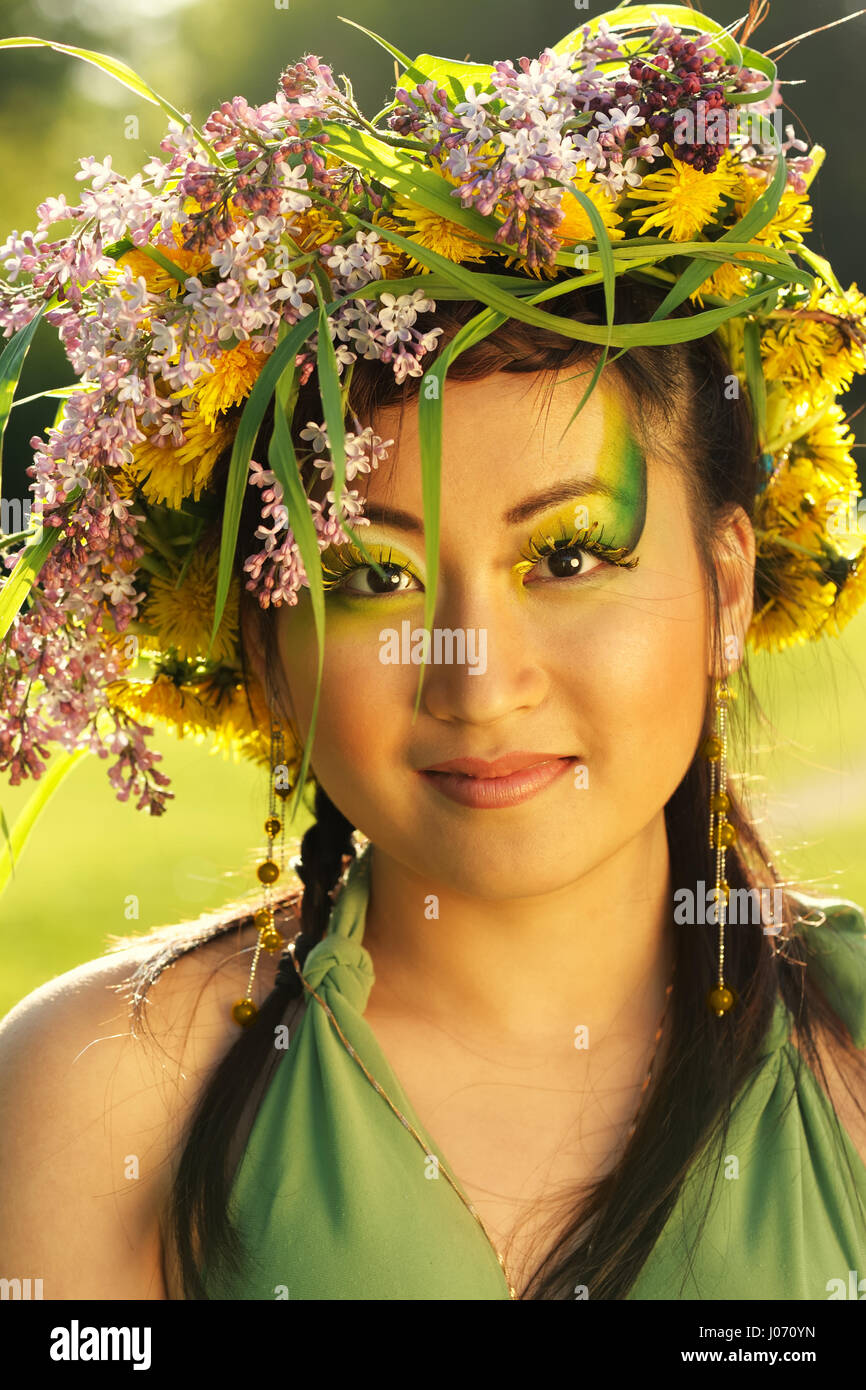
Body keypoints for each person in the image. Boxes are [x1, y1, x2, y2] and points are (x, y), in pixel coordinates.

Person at [0, 6, 865, 1301]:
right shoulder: (100, 1102)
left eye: (569, 556)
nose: (478, 677)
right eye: (371, 575)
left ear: (726, 582)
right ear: (266, 646)